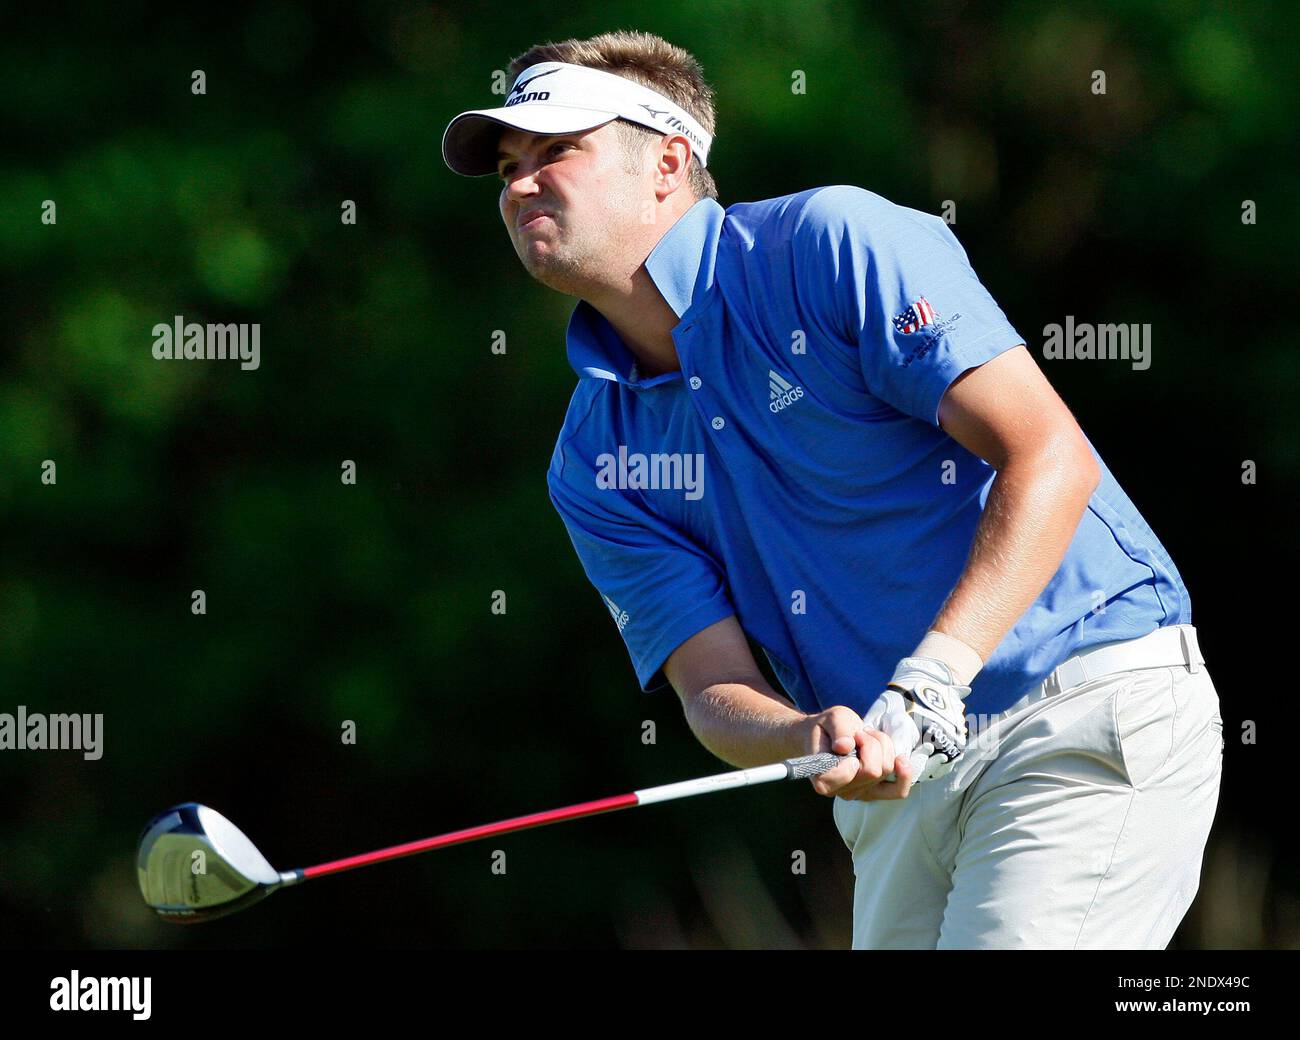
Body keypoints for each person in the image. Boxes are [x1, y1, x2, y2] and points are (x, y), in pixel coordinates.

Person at [441, 30, 1223, 949]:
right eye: (507, 166)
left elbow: (1049, 454)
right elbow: (713, 689)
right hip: (895, 784)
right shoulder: (591, 456)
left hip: (1076, 703)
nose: (520, 184)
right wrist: (806, 736)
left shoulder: (830, 244)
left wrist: (932, 679)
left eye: (556, 151)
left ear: (667, 162)